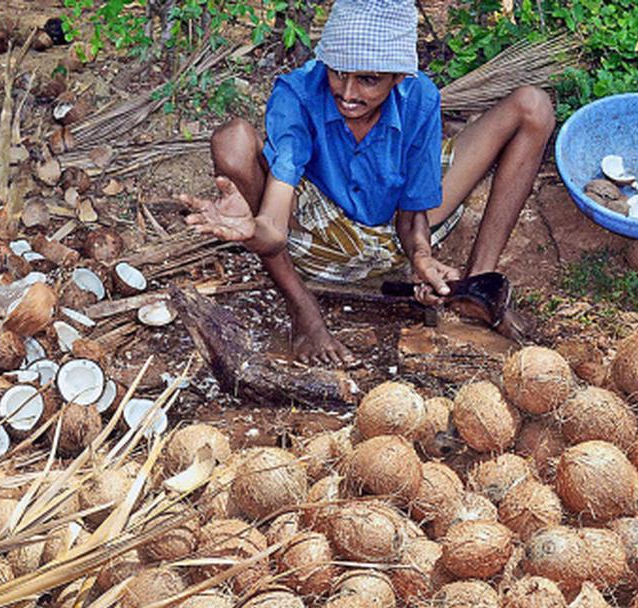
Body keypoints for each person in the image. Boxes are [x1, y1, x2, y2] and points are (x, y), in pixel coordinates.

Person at [178, 0, 554, 366]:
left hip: (393, 226)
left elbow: (413, 215)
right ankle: (300, 302)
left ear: (398, 76)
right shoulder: (297, 93)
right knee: (232, 140)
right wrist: (255, 232)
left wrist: (421, 257)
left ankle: (476, 290)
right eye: (338, 72)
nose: (347, 92)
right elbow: (275, 227)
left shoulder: (419, 96)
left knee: (533, 106)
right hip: (319, 225)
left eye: (369, 80)